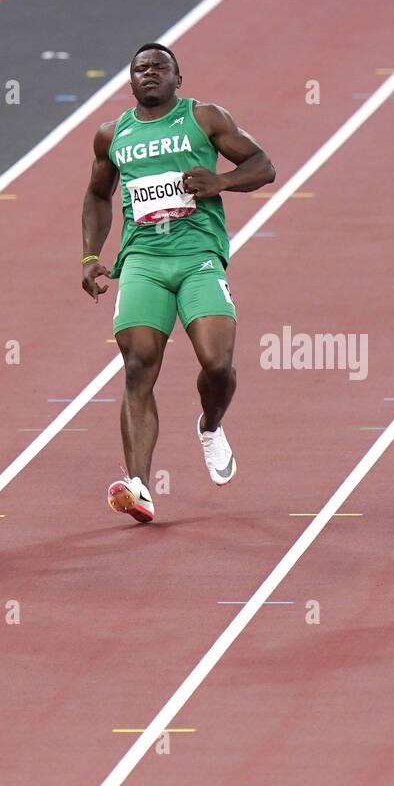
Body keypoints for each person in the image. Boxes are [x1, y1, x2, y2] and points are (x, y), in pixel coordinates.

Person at [81, 44, 275, 523]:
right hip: (143, 260)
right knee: (138, 365)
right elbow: (96, 194)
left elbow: (263, 166)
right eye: (140, 69)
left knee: (217, 362)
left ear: (177, 77)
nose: (149, 73)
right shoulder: (112, 134)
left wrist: (221, 183)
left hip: (198, 257)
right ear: (130, 81)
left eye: (159, 67)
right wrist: (90, 255)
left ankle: (210, 424)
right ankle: (140, 486)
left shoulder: (204, 118)